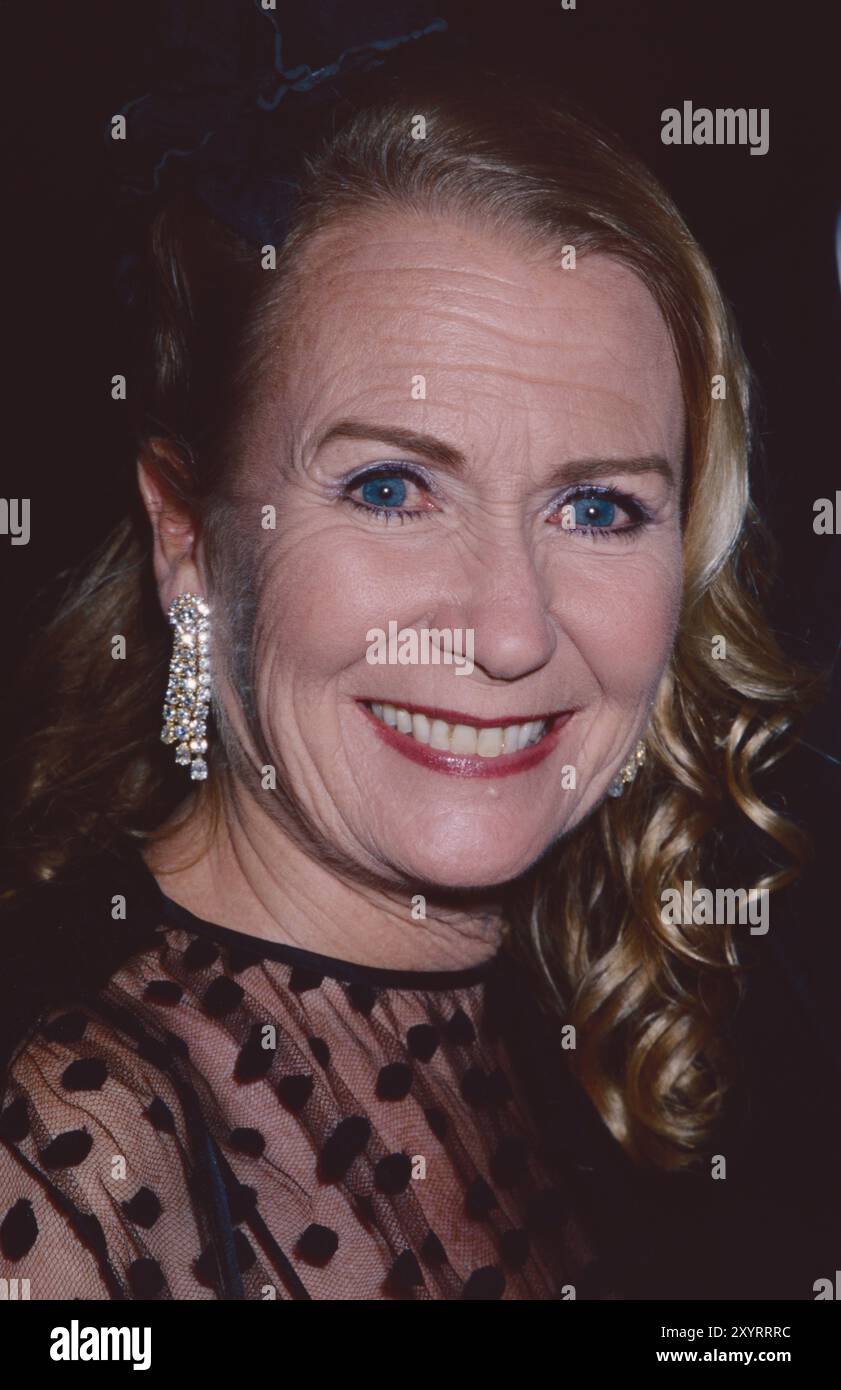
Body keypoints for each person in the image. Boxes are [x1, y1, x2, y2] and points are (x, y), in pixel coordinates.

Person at [0, 60, 831, 1301]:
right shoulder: (67, 1167)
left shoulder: (589, 1027)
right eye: (391, 488)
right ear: (188, 538)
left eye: (598, 505)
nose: (505, 630)